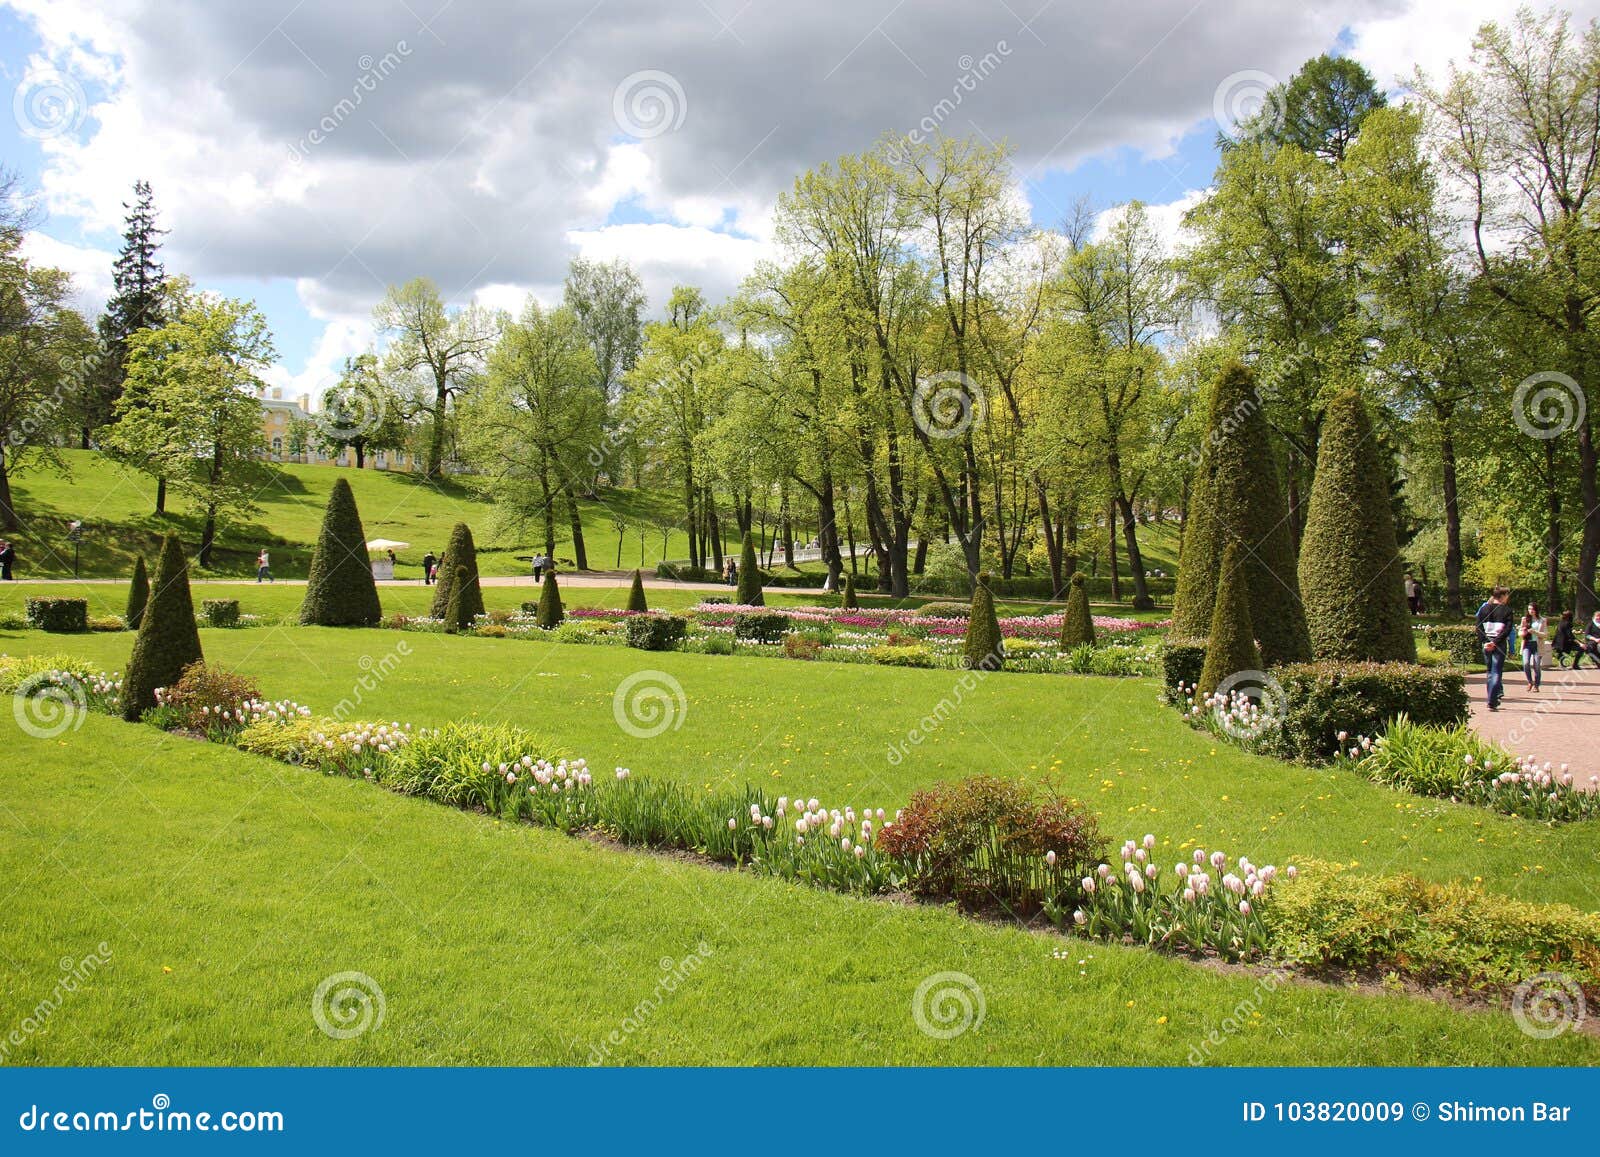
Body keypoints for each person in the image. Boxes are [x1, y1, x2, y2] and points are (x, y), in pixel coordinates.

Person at [1474, 586, 1513, 711]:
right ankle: (1492, 701)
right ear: (1502, 596)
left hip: (1487, 643)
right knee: (1496, 672)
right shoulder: (1507, 610)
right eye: (1507, 595)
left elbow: (1478, 627)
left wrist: (1485, 642)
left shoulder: (1484, 609)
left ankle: (1492, 699)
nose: (1507, 598)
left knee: (1490, 671)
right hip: (1499, 643)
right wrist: (1495, 642)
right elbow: (1507, 630)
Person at [1520, 604, 1546, 692]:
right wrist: (1523, 632)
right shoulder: (1524, 619)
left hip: (1537, 645)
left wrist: (1534, 632)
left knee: (1537, 666)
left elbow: (1545, 634)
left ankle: (1536, 685)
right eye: (1529, 609)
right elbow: (1520, 632)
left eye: (1532, 609)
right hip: (1527, 644)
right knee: (1526, 663)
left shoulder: (1542, 620)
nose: (1530, 611)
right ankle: (1530, 681)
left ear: (1536, 610)